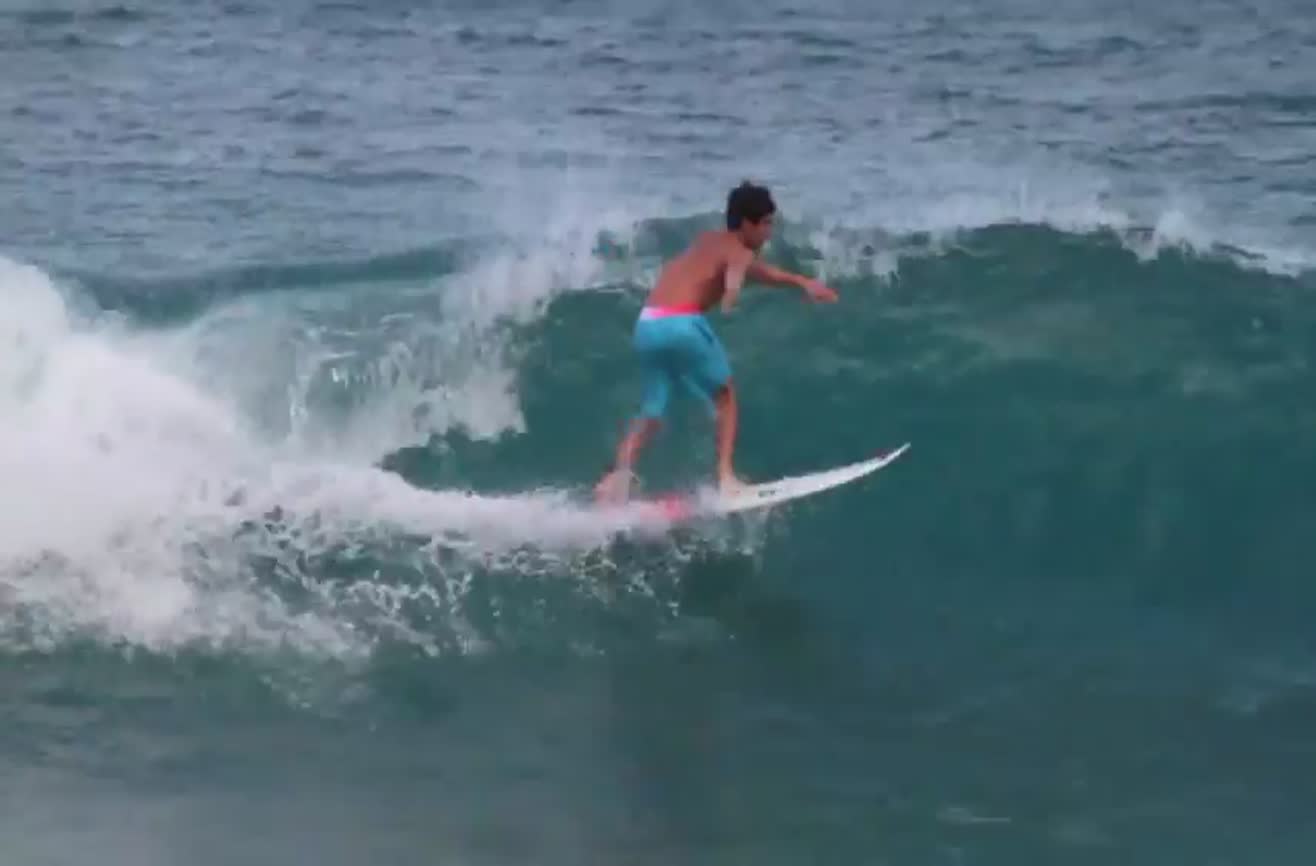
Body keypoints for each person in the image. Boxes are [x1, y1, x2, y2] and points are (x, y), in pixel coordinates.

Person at [595, 181, 838, 502]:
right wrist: (731, 295)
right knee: (726, 396)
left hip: (648, 324)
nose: (769, 231)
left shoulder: (708, 242)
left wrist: (801, 282)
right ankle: (726, 478)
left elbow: (761, 272)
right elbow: (739, 270)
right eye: (765, 223)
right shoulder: (738, 250)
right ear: (746, 224)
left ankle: (613, 480)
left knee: (652, 413)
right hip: (681, 323)